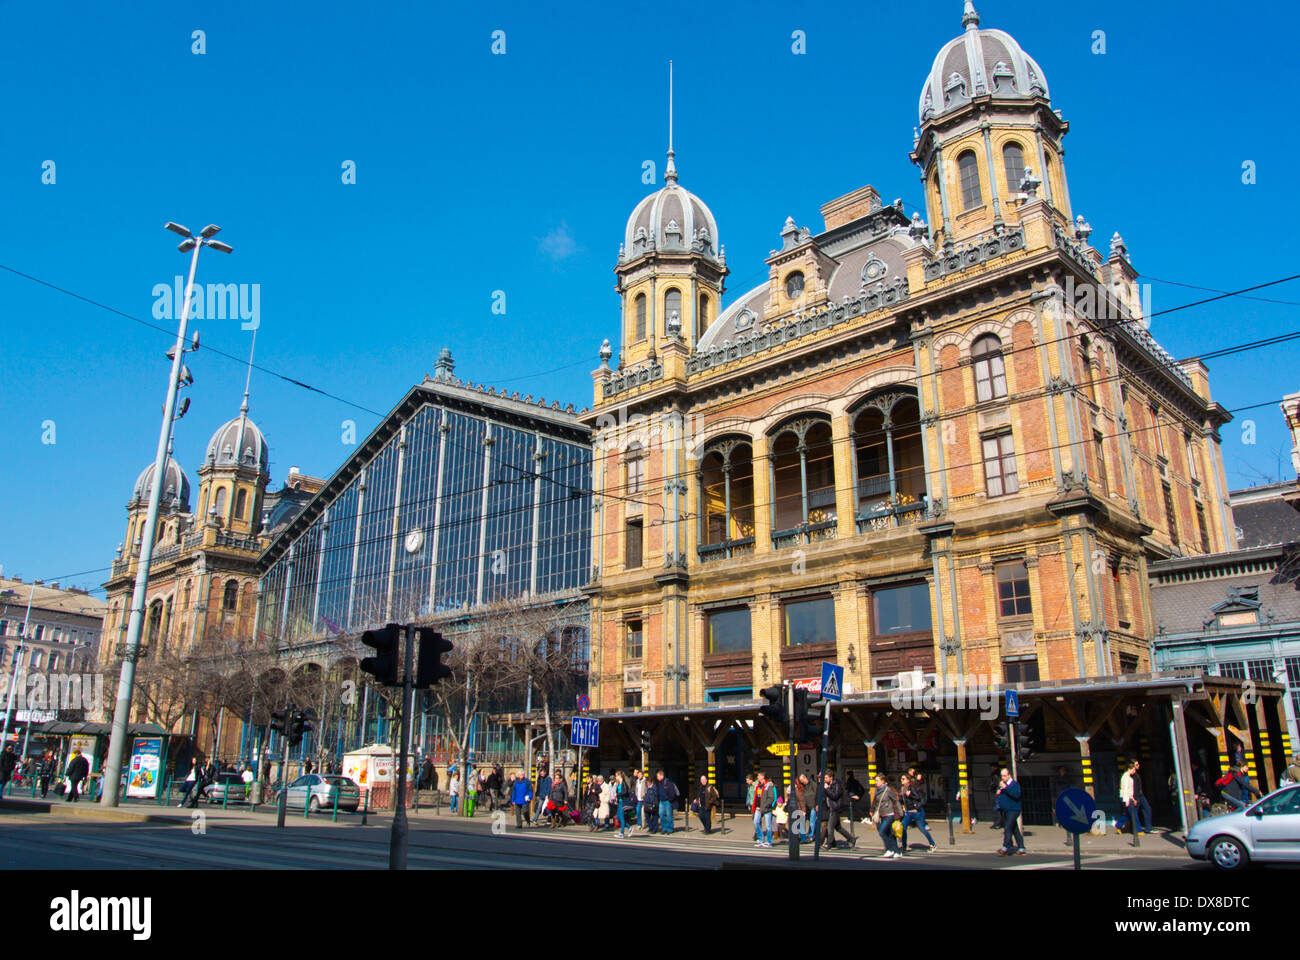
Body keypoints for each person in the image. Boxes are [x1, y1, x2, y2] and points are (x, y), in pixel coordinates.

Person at [899, 773, 936, 852]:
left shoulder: (911, 788)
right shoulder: (903, 788)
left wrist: (910, 795)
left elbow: (918, 797)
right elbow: (903, 800)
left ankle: (932, 844)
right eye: (901, 779)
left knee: (922, 828)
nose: (901, 780)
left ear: (908, 780)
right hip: (908, 812)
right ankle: (904, 846)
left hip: (915, 812)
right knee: (903, 828)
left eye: (903, 779)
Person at [819, 771, 856, 849]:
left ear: (831, 778)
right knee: (838, 827)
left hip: (834, 808)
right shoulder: (828, 785)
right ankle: (851, 839)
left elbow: (835, 795)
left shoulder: (836, 785)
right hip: (829, 808)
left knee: (830, 827)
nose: (824, 779)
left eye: (826, 778)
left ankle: (829, 844)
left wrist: (827, 789)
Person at [871, 774, 903, 859]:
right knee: (889, 833)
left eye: (877, 780)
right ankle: (894, 850)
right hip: (881, 815)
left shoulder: (888, 790)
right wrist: (872, 810)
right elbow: (875, 802)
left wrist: (900, 813)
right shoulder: (877, 790)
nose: (876, 782)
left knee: (882, 831)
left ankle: (891, 849)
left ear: (883, 781)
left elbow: (895, 801)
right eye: (876, 780)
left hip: (889, 814)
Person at [995, 767, 1025, 855]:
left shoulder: (1014, 784)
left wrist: (1006, 788)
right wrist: (999, 792)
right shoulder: (1003, 784)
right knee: (1015, 829)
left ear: (1009, 775)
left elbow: (1016, 795)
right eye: (1002, 776)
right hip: (1005, 810)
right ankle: (1021, 847)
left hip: (1013, 810)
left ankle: (1005, 847)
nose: (1003, 778)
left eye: (1004, 776)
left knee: (1007, 827)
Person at [1120, 760, 1151, 835]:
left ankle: (1119, 825)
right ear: (1130, 768)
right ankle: (1138, 830)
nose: (1134, 770)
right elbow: (1125, 790)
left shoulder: (1130, 777)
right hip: (1127, 798)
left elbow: (1130, 790)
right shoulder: (1126, 777)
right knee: (1134, 814)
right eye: (1133, 769)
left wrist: (1133, 799)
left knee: (1129, 814)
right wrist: (1127, 800)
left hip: (1131, 798)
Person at [756, 772, 776, 848]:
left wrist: (765, 805)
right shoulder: (758, 785)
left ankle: (769, 841)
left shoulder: (768, 785)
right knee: (756, 822)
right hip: (758, 807)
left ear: (763, 777)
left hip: (766, 808)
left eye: (758, 776)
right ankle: (761, 839)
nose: (757, 777)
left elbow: (771, 797)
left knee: (768, 825)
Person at [655, 770, 678, 835]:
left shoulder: (668, 783)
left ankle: (670, 828)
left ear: (662, 776)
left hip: (667, 801)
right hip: (661, 801)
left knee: (669, 815)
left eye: (658, 776)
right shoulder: (659, 783)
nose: (657, 778)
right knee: (661, 815)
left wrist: (670, 800)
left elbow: (672, 792)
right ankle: (664, 828)